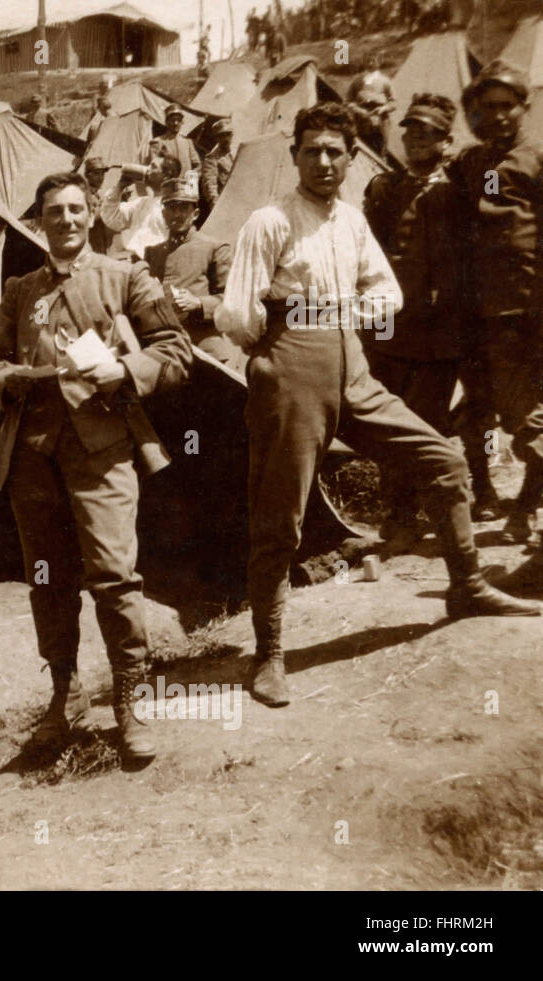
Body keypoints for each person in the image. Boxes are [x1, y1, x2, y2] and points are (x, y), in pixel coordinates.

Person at [214, 103, 539, 709]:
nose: (324, 161)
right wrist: (286, 332)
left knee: (443, 459)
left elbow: (386, 292)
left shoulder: (352, 221)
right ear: (294, 156)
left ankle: (466, 584)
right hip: (291, 370)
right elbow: (235, 314)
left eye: (336, 150)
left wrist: (338, 314)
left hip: (353, 366)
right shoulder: (269, 221)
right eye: (312, 149)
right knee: (280, 516)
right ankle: (270, 653)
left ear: (351, 158)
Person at [0, 170, 192, 761]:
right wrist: (10, 379)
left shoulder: (126, 275)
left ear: (92, 213)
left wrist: (126, 371)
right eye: (54, 212)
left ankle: (129, 700)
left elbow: (176, 353)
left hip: (102, 450)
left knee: (115, 576)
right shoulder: (21, 291)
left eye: (76, 209)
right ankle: (65, 696)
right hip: (32, 455)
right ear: (39, 222)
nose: (66, 220)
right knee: (47, 579)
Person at [361, 93, 464, 550]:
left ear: (447, 139)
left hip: (440, 331)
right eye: (411, 130)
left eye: (428, 132)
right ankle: (399, 516)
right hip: (390, 328)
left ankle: (442, 517)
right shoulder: (386, 189)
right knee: (390, 423)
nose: (417, 138)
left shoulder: (461, 189)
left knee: (429, 424)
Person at [447, 61, 543, 542]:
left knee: (526, 417)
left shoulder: (536, 161)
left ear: (524, 107)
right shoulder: (470, 162)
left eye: (508, 106)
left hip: (522, 312)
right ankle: (485, 492)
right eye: (487, 108)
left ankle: (527, 506)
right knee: (477, 410)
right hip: (473, 312)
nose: (498, 115)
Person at [144, 176, 241, 368]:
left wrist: (198, 303)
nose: (177, 214)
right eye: (172, 208)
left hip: (204, 349)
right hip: (166, 350)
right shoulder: (153, 253)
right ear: (163, 213)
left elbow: (233, 300)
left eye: (184, 208)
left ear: (195, 213)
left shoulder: (214, 248)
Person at [103, 154, 180, 259]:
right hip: (128, 260)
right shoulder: (141, 202)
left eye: (153, 167)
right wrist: (119, 187)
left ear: (166, 176)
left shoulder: (174, 208)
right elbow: (111, 219)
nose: (147, 170)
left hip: (151, 265)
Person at [347, 55, 397, 156]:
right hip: (361, 118)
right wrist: (358, 110)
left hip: (381, 118)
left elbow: (393, 102)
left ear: (379, 62)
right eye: (367, 61)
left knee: (381, 147)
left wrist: (383, 108)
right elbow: (348, 101)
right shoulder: (357, 81)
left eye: (373, 61)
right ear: (364, 62)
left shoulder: (385, 81)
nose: (370, 64)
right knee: (362, 145)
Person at [200, 117, 235, 216]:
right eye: (221, 136)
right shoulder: (211, 159)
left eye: (227, 134)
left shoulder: (238, 153)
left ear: (232, 135)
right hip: (225, 203)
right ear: (216, 138)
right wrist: (216, 206)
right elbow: (210, 185)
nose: (225, 139)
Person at [82, 155, 115, 254]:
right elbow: (88, 221)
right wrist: (105, 206)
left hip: (101, 247)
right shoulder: (82, 193)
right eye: (96, 174)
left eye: (102, 174)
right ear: (87, 175)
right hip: (87, 248)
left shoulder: (99, 194)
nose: (100, 178)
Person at [157, 104, 201, 175]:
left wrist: (191, 179)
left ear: (182, 122)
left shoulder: (187, 142)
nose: (176, 123)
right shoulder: (158, 142)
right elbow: (155, 168)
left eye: (178, 120)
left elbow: (197, 165)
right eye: (172, 120)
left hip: (186, 184)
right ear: (166, 122)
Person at [81, 76, 115, 145]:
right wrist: (98, 114)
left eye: (105, 87)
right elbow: (94, 108)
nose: (104, 88)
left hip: (104, 115)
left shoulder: (108, 95)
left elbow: (110, 105)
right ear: (100, 87)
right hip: (97, 115)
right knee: (93, 129)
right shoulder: (97, 95)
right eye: (103, 87)